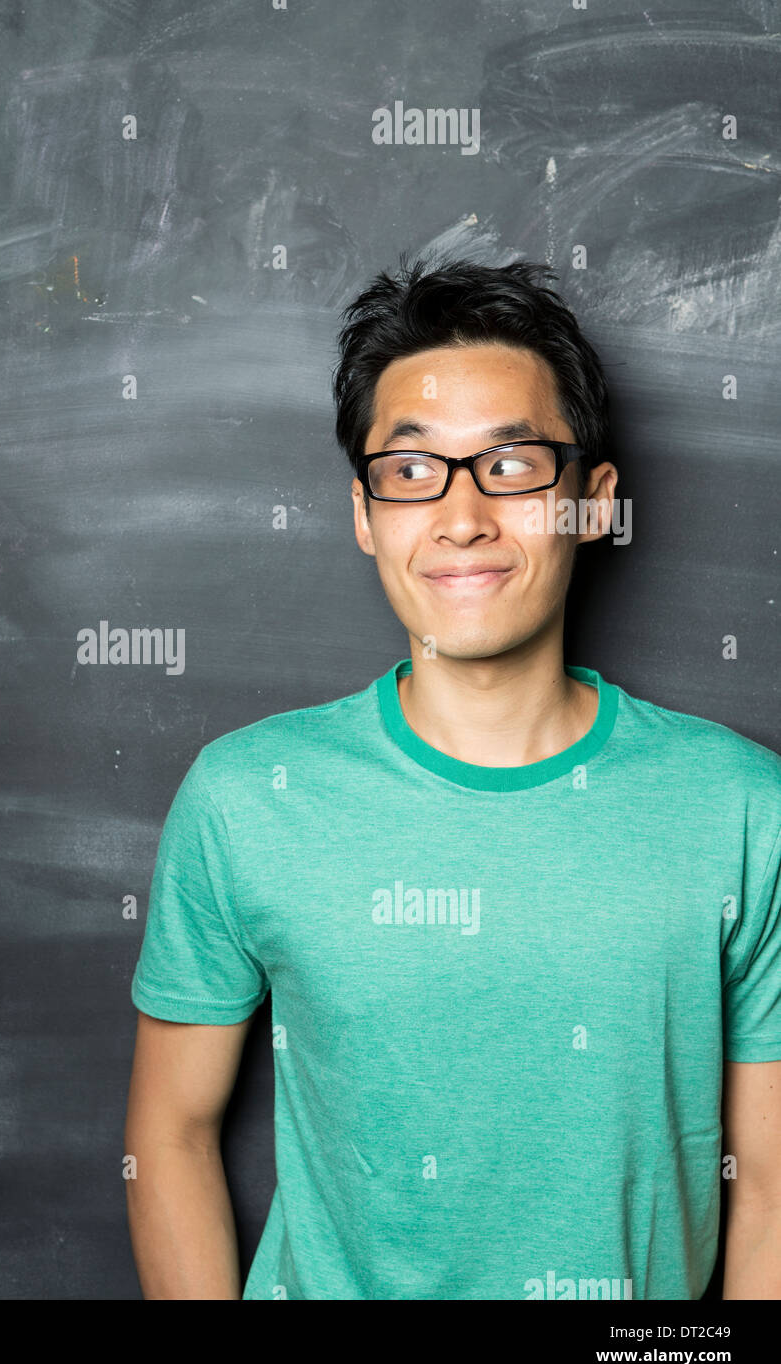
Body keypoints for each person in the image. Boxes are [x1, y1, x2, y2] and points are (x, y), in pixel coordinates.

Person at [123, 253, 781, 1300]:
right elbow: (169, 1131)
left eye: (513, 466)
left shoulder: (743, 810)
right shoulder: (247, 799)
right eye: (412, 469)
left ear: (593, 503)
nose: (462, 516)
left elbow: (770, 1201)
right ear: (364, 512)